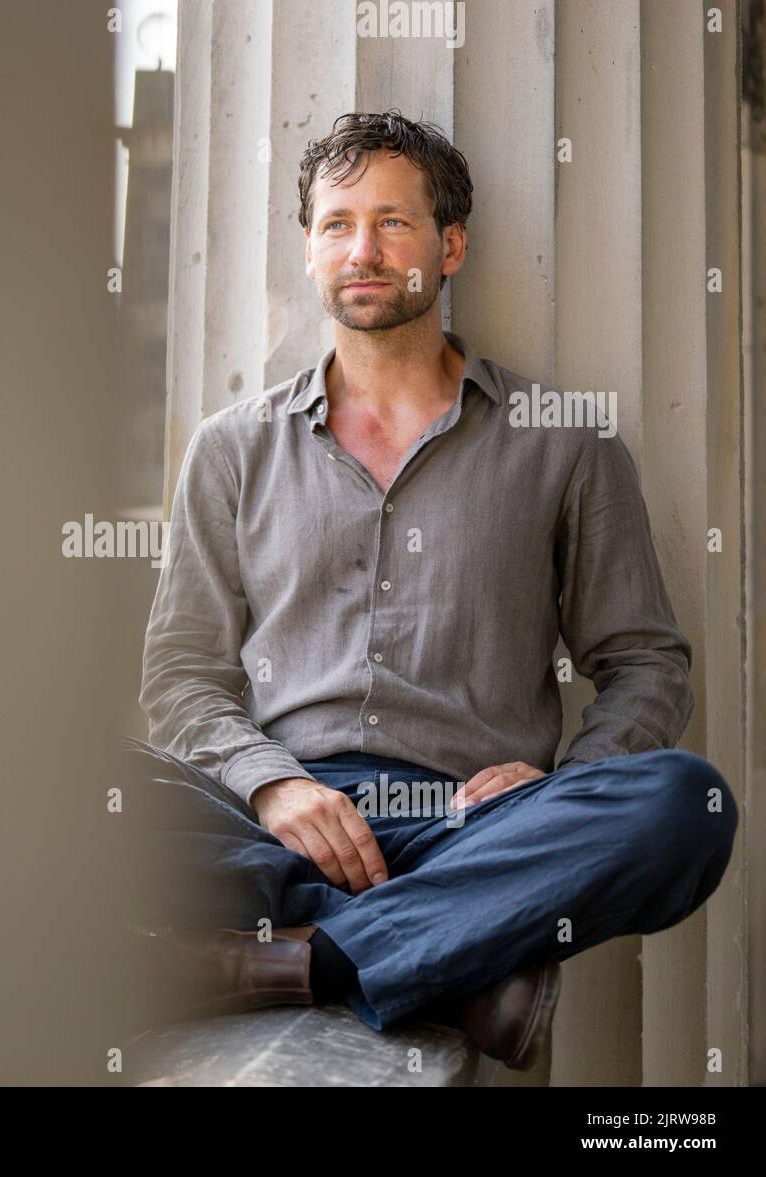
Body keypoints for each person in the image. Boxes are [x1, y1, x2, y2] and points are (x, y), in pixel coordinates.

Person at [125, 110, 738, 1072]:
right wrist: (274, 783)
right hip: (277, 823)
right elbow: (181, 675)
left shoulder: (563, 442)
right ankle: (461, 956)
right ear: (309, 246)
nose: (361, 250)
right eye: (336, 224)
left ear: (449, 247)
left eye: (392, 223)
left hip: (479, 829)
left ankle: (306, 958)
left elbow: (645, 662)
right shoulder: (232, 448)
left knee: (685, 803)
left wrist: (569, 786)